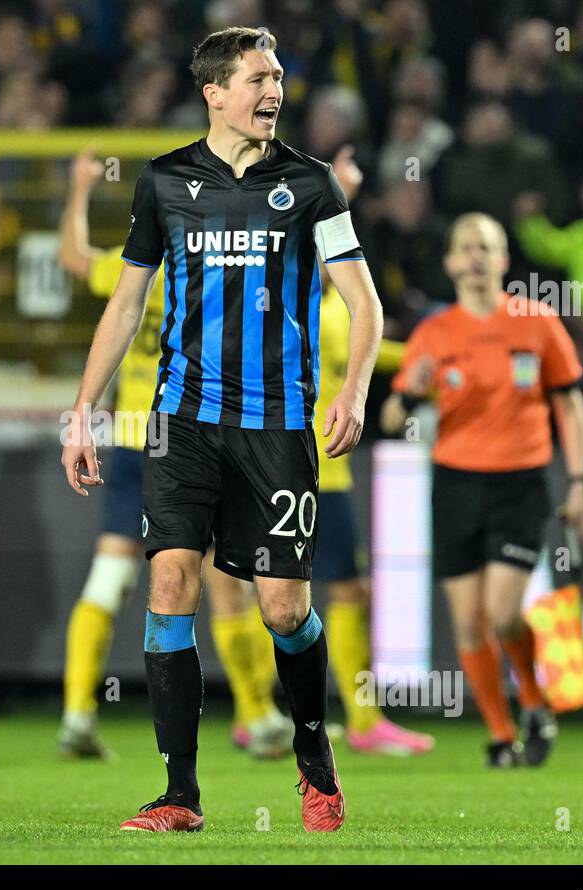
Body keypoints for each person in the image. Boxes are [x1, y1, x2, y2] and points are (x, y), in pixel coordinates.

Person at [61, 27, 384, 833]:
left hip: (276, 424)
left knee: (282, 610)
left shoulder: (310, 185)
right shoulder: (166, 182)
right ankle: (180, 793)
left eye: (277, 78)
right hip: (180, 423)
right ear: (214, 91)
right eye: (257, 78)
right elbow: (127, 301)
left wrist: (353, 388)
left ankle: (315, 760)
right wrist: (83, 409)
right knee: (170, 585)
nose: (273, 91)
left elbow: (364, 301)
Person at [56, 148, 290, 761]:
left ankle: (78, 712)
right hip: (188, 435)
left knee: (114, 578)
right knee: (225, 585)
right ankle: (257, 714)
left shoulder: (131, 269)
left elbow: (71, 259)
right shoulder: (204, 266)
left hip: (138, 437)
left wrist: (79, 190)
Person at [381, 212, 583, 768]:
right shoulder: (434, 332)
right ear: (450, 261)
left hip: (522, 481)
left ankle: (533, 696)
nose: (475, 256)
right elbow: (388, 414)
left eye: (487, 247)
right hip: (456, 482)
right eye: (465, 246)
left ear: (503, 261)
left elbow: (570, 404)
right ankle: (501, 736)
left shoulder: (537, 321)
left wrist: (579, 480)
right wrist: (410, 397)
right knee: (468, 621)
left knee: (502, 613)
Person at [314, 145, 434, 757]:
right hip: (286, 456)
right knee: (271, 591)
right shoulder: (299, 292)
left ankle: (358, 720)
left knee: (341, 588)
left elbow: (367, 346)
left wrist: (420, 359)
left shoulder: (338, 303)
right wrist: (343, 195)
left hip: (327, 464)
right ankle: (267, 715)